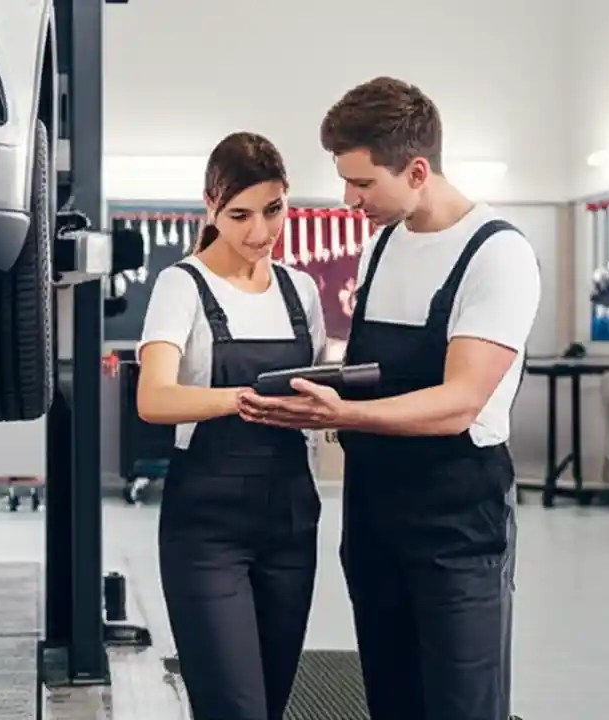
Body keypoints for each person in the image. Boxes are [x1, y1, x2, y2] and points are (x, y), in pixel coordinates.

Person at [238, 76, 541, 720]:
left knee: (462, 703)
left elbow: (460, 401)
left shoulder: (496, 255)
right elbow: (375, 369)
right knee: (391, 698)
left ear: (417, 170)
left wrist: (343, 414)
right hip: (374, 513)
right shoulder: (381, 247)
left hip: (456, 521)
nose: (349, 199)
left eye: (363, 183)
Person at [136, 131, 327, 720]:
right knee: (234, 709)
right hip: (208, 527)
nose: (260, 231)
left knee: (270, 703)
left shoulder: (301, 291)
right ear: (211, 206)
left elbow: (317, 392)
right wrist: (242, 400)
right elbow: (154, 398)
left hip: (292, 518)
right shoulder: (182, 285)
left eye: (274, 210)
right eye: (240, 215)